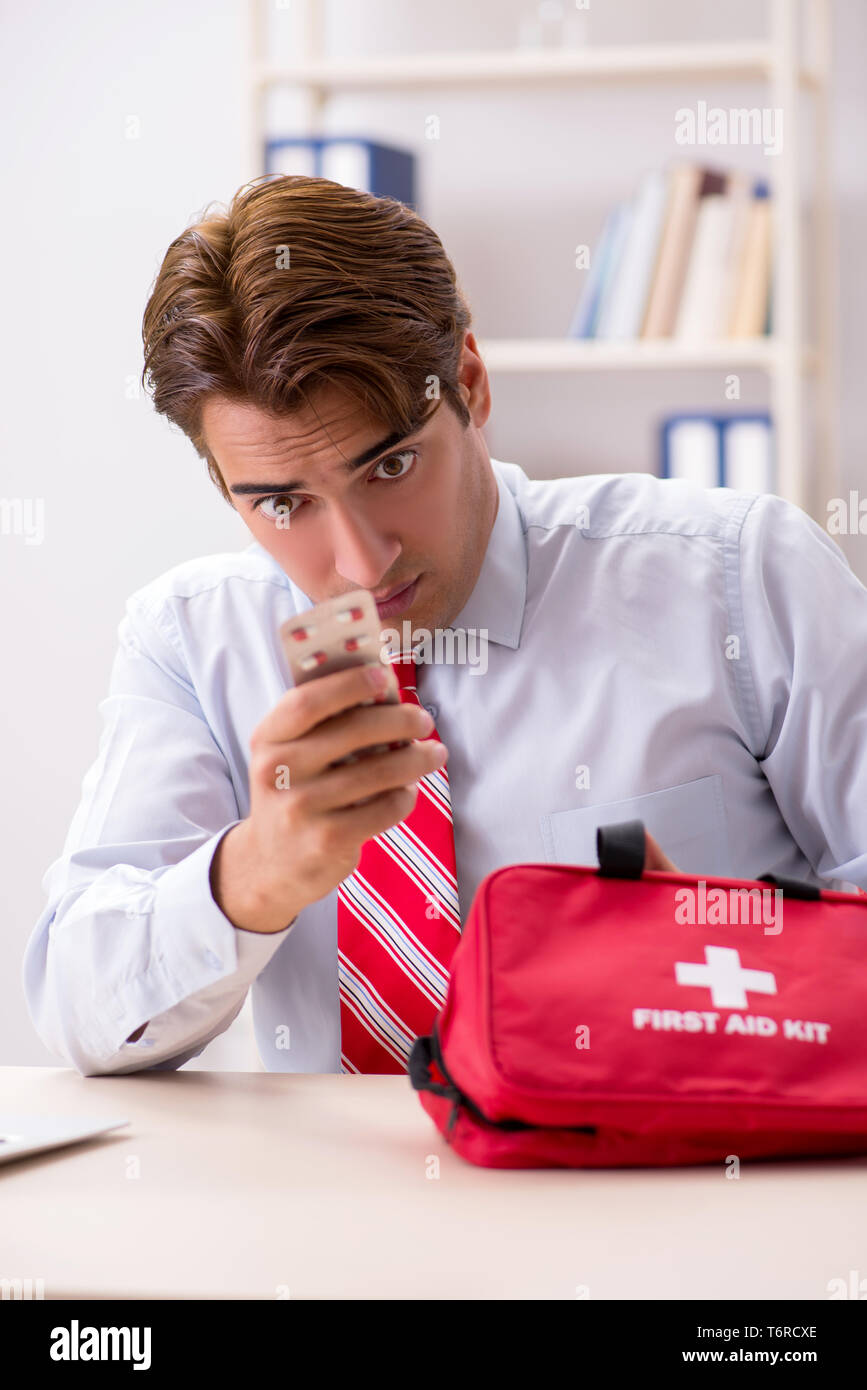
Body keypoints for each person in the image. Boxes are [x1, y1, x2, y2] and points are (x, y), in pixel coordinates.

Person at [23, 175, 867, 1077]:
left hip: (680, 1187)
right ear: (222, 488)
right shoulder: (189, 641)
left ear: (467, 381)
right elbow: (79, 1013)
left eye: (388, 467)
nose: (359, 561)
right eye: (281, 503)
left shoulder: (739, 576)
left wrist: (729, 967)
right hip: (329, 1209)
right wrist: (254, 876)